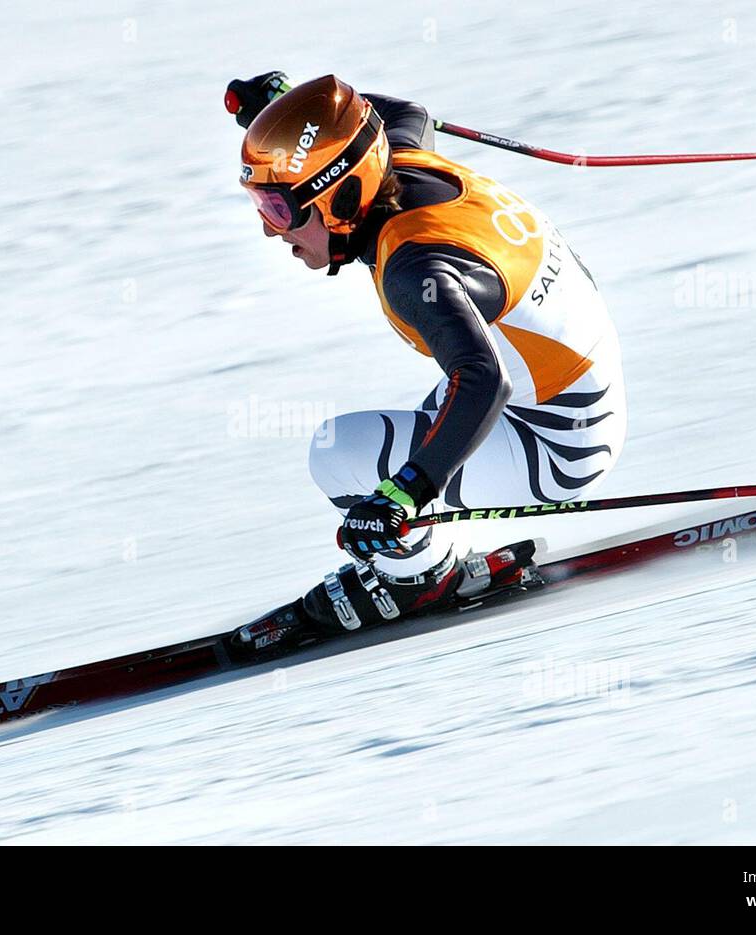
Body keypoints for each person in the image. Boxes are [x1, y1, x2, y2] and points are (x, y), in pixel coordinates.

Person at [227, 72, 627, 644]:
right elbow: (394, 113)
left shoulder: (416, 269)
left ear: (338, 197)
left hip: (558, 445)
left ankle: (420, 580)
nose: (271, 231)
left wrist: (403, 493)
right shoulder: (403, 157)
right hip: (568, 394)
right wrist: (293, 115)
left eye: (281, 209)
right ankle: (428, 552)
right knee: (399, 449)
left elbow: (485, 382)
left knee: (337, 453)